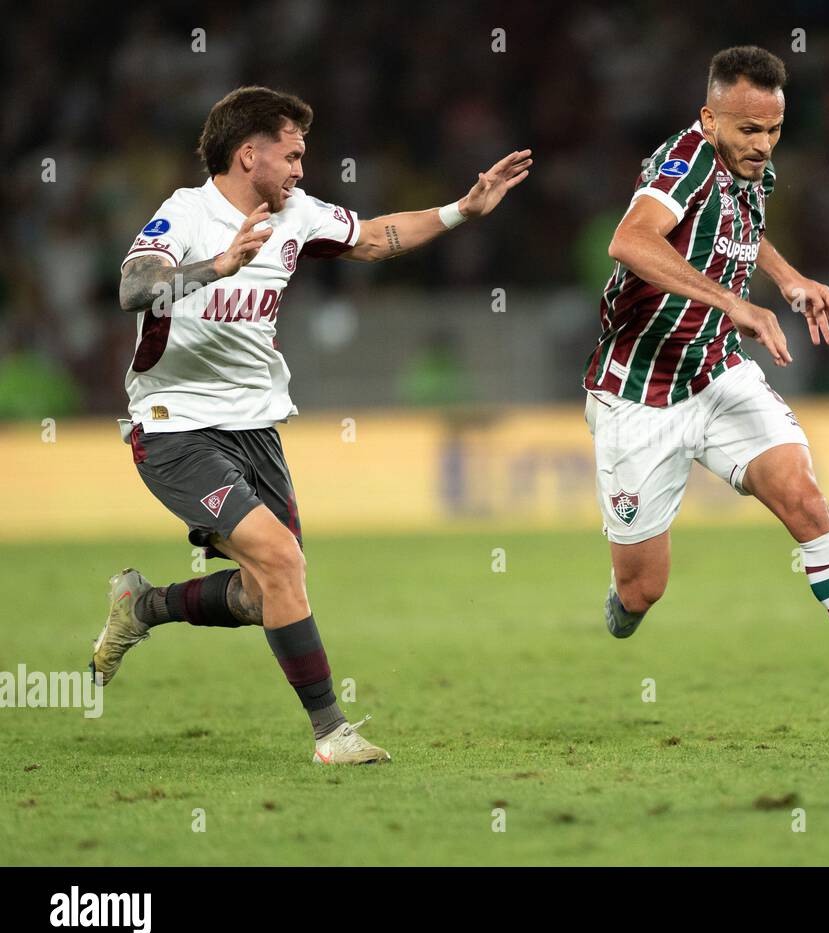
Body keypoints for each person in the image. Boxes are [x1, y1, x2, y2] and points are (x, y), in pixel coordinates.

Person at [93, 86, 532, 764]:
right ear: (248, 154)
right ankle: (333, 734)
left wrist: (461, 211)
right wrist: (219, 267)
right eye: (292, 155)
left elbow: (376, 239)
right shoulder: (185, 215)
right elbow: (133, 290)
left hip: (256, 429)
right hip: (175, 426)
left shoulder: (296, 214)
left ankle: (143, 606)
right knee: (283, 561)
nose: (302, 169)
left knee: (263, 590)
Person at [582, 47, 829, 742]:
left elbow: (742, 229)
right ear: (708, 117)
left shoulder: (752, 166)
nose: (763, 144)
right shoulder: (682, 163)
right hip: (640, 395)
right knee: (641, 589)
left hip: (718, 374)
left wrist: (788, 279)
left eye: (774, 129)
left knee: (806, 500)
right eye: (748, 130)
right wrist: (736, 305)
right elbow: (629, 242)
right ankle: (624, 603)